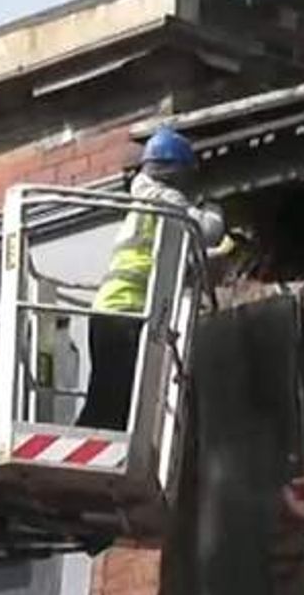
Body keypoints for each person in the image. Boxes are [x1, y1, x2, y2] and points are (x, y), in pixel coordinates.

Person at [78, 125, 233, 431]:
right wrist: (213, 207)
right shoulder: (163, 198)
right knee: (116, 401)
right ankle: (86, 449)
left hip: (114, 312)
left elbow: (167, 256)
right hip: (126, 313)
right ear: (176, 171)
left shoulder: (147, 196)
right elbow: (208, 231)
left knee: (113, 398)